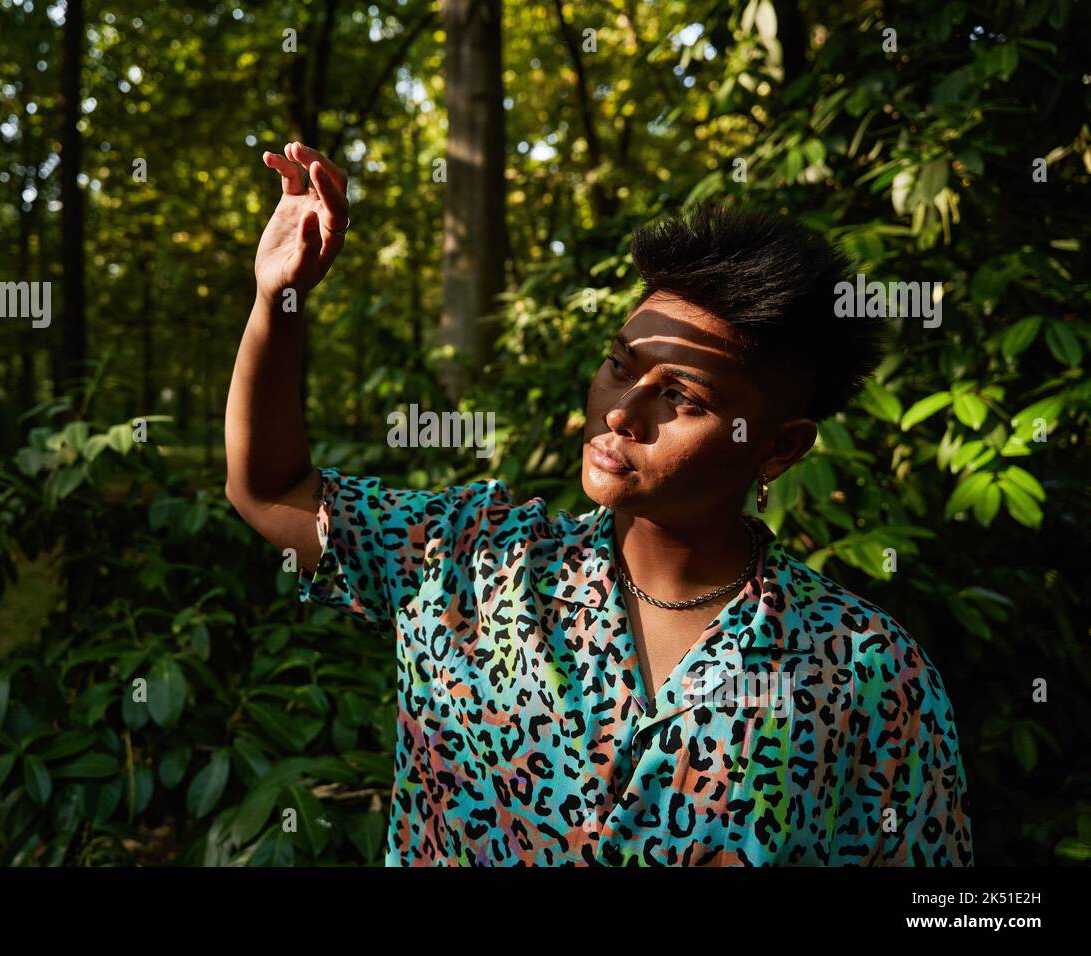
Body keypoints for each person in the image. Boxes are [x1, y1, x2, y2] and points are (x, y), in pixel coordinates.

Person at [225, 141, 973, 866]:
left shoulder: (866, 671)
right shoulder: (468, 560)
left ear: (777, 448)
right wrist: (278, 299)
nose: (622, 411)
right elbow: (268, 490)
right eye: (621, 364)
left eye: (680, 397)